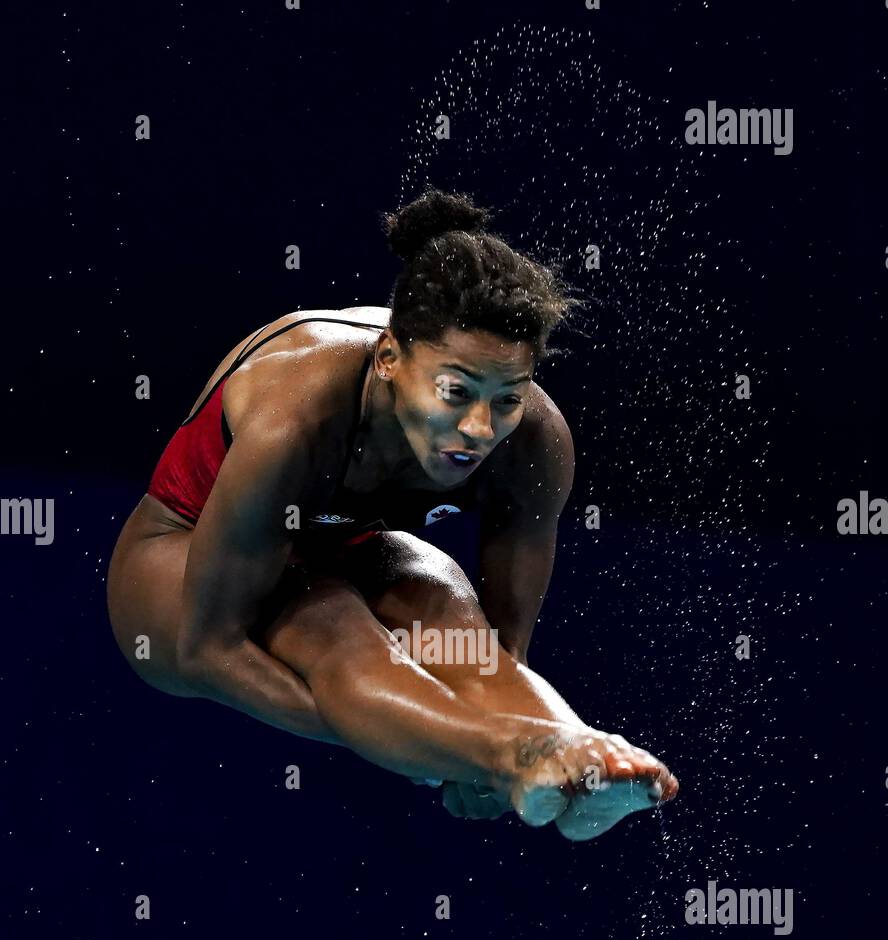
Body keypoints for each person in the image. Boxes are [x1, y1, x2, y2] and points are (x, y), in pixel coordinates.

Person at [107, 188, 678, 839]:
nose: (477, 427)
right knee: (338, 631)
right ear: (388, 359)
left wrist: (490, 730)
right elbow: (211, 647)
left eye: (506, 399)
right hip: (179, 567)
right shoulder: (296, 419)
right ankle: (515, 756)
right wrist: (450, 749)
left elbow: (500, 654)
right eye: (455, 391)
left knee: (451, 618)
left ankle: (577, 758)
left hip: (349, 542)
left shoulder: (535, 442)